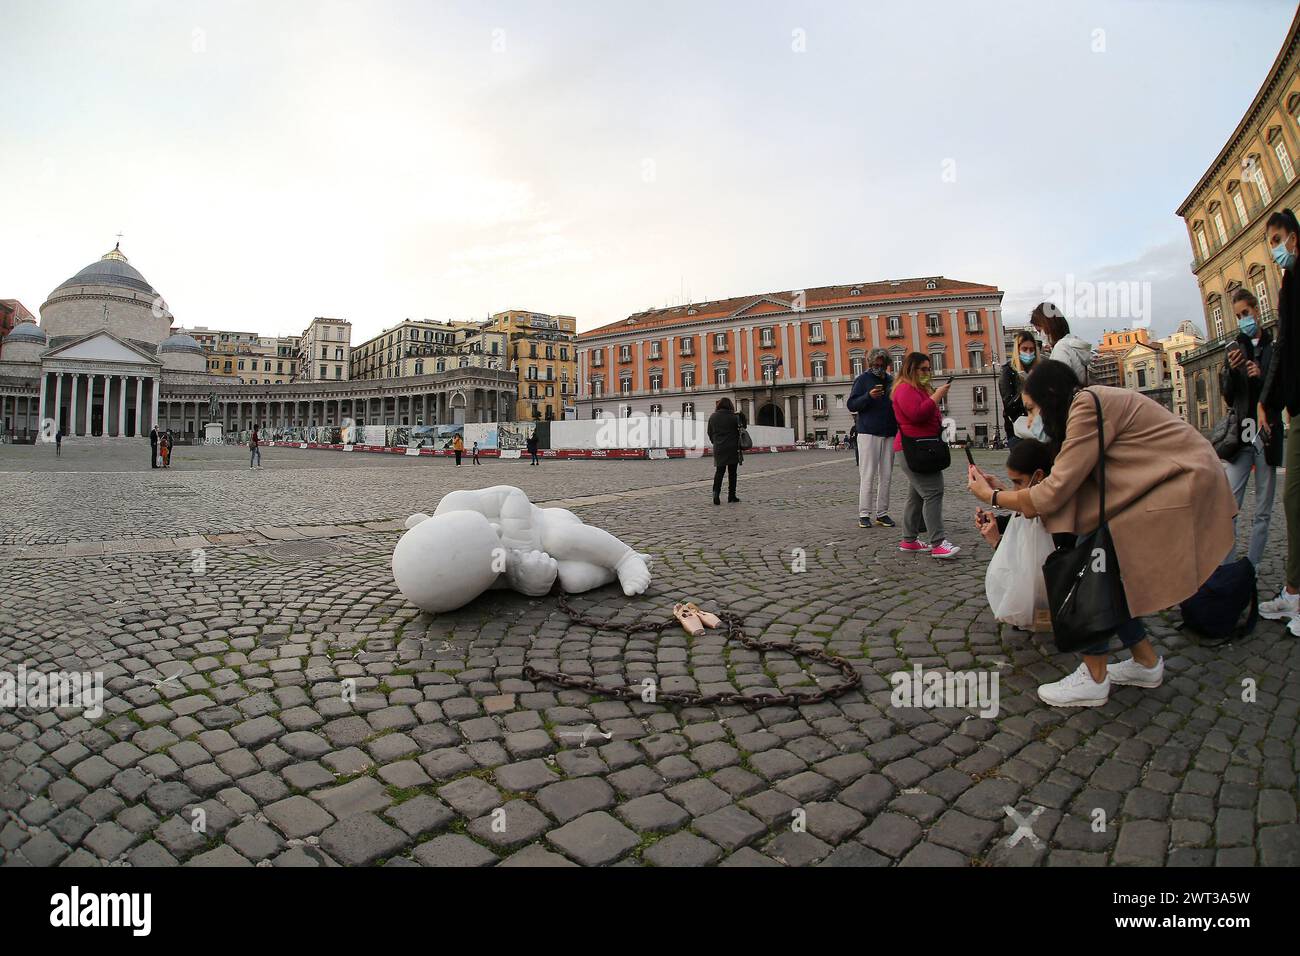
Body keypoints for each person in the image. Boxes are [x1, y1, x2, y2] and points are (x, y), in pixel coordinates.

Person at [966, 359, 1236, 707]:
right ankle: (1145, 662)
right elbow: (1063, 488)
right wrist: (1007, 493)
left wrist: (994, 497)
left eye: (1032, 411)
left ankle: (1094, 676)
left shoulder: (1085, 408)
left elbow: (1057, 491)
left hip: (1183, 481)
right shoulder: (1086, 405)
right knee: (1113, 572)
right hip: (1173, 479)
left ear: (1050, 398)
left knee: (1093, 562)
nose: (1029, 421)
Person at [1256, 208, 1300, 627]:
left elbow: (1286, 346)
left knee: (1294, 498)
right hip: (1296, 405)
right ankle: (1293, 591)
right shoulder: (1290, 283)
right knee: (1294, 499)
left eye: (1276, 240)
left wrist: (1267, 398)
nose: (1274, 250)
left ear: (1293, 238)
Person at [1221, 288, 1281, 569]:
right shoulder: (1235, 349)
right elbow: (1229, 397)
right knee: (1228, 507)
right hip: (1242, 435)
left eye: (1246, 313)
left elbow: (1281, 393)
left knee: (1263, 512)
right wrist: (1233, 372)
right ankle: (1230, 567)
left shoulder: (1274, 348)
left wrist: (1262, 378)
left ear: (1257, 310)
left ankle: (1252, 569)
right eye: (1238, 316)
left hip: (1266, 434)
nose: (1243, 319)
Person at [892, 352, 959, 558]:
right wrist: (937, 395)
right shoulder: (904, 389)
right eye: (923, 369)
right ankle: (938, 543)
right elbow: (916, 414)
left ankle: (909, 540)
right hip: (913, 448)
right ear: (911, 369)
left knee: (916, 496)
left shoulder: (918, 389)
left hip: (919, 447)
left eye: (929, 369)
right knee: (933, 492)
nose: (927, 373)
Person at [973, 438, 1074, 551]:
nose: (1016, 490)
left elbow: (1033, 562)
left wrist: (996, 541)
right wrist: (994, 522)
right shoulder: (1048, 501)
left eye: (1018, 482)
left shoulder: (1058, 513)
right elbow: (1023, 517)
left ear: (1038, 476)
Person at [847, 348, 898, 529]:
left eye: (882, 364)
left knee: (886, 475)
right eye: (876, 364)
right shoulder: (862, 380)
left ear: (886, 364)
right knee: (867, 474)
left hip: (889, 432)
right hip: (868, 431)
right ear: (870, 363)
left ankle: (882, 513)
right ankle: (864, 513)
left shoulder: (892, 380)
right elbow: (851, 404)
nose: (879, 367)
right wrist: (868, 396)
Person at [1029, 302, 1093, 386]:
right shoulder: (1072, 346)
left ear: (1048, 325)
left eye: (1039, 330)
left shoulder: (1061, 348)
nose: (1040, 335)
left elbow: (1059, 387)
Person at [999, 331, 1039, 449]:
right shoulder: (1008, 371)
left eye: (1032, 350)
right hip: (1018, 429)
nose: (1028, 353)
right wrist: (1025, 388)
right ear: (1017, 350)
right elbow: (1008, 404)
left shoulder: (1040, 369)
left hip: (1039, 426)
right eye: (1025, 349)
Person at [707, 397, 746, 505]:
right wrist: (742, 416)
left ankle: (716, 494)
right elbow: (743, 428)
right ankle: (731, 496)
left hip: (719, 448)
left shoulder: (713, 417)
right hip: (733, 448)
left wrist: (715, 442)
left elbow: (709, 432)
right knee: (732, 473)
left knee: (719, 472)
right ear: (730, 406)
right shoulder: (734, 417)